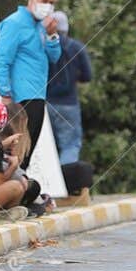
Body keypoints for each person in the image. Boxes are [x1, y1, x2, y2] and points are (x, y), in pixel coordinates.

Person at [0, 0, 62, 164]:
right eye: (44, 1)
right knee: (17, 152)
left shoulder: (42, 26)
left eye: (52, 2)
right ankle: (11, 190)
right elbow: (2, 62)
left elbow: (54, 56)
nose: (48, 6)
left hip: (38, 94)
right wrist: (5, 95)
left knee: (26, 153)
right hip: (20, 98)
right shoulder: (14, 23)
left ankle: (19, 188)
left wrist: (52, 35)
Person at [45, 11, 92, 167]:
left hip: (46, 103)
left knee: (46, 147)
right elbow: (88, 75)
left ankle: (49, 184)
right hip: (69, 103)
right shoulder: (76, 47)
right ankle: (67, 182)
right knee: (70, 145)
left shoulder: (43, 47)